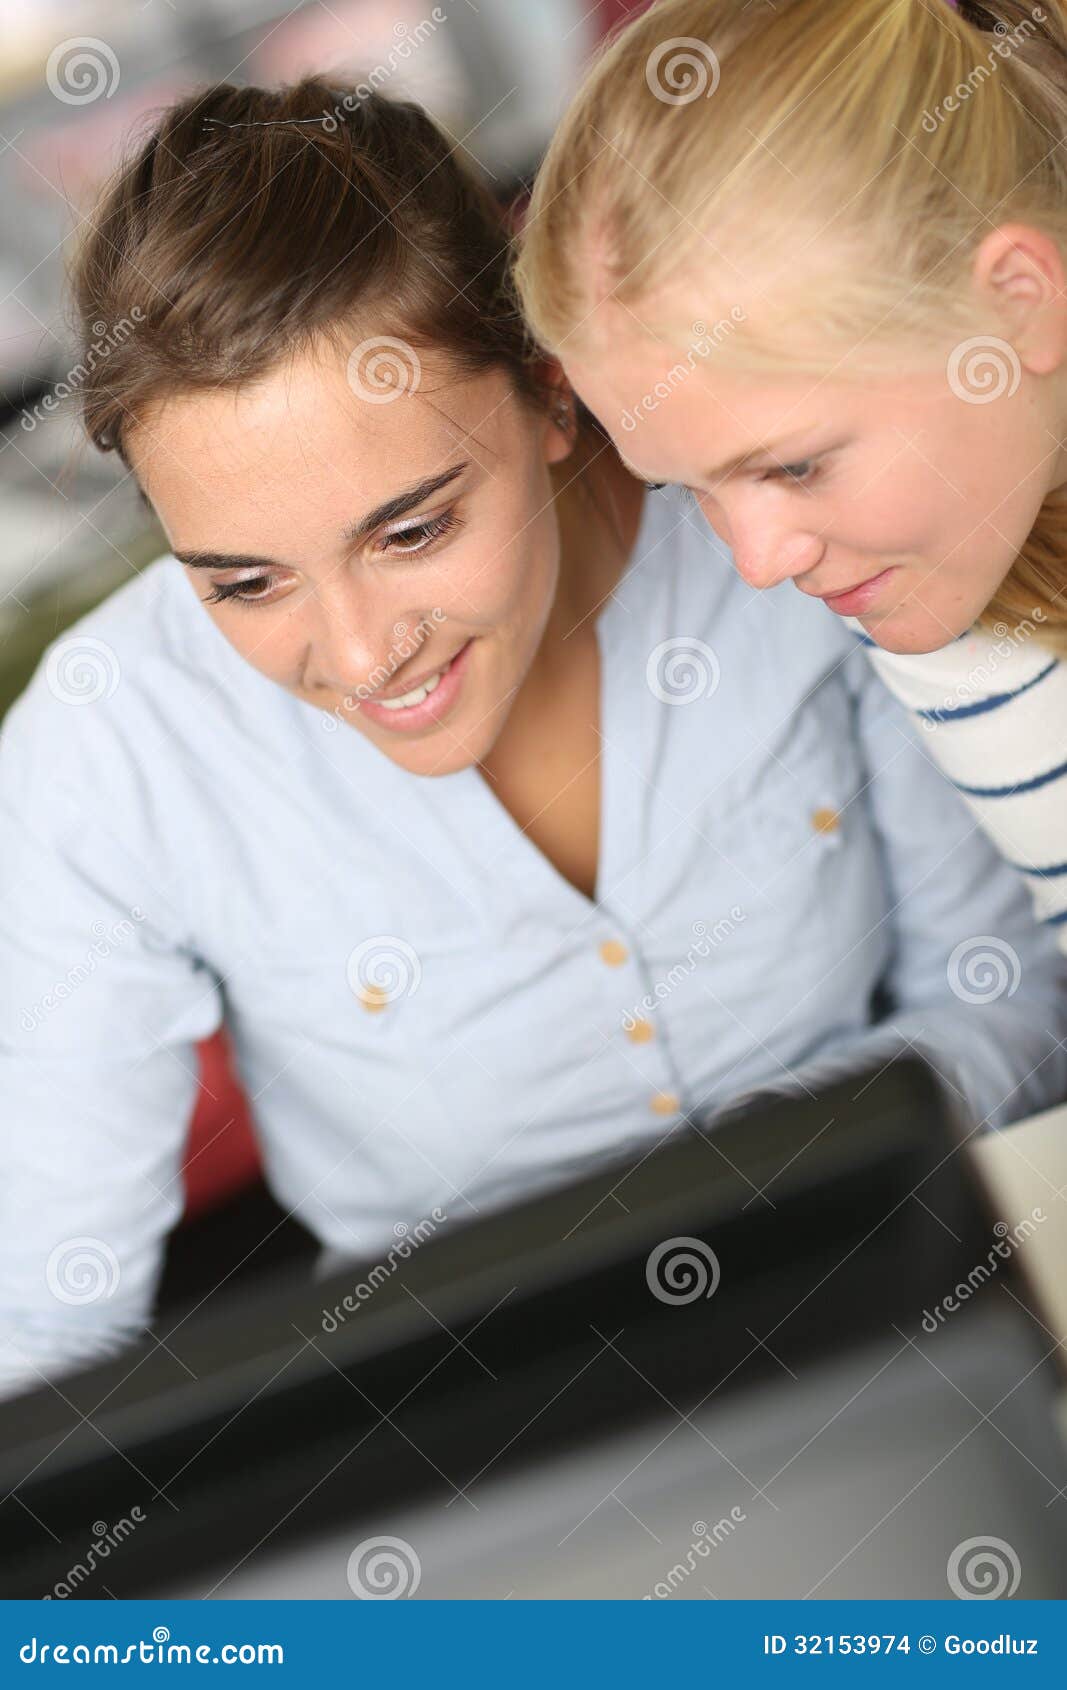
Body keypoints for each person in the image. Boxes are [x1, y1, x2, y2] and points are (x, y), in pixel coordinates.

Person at [2, 76, 1065, 1400]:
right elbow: (41, 1320)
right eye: (243, 581)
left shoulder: (781, 540)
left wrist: (715, 1211)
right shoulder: (109, 755)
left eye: (411, 531)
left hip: (899, 1303)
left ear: (549, 396)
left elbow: (1003, 1000)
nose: (357, 649)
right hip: (470, 1427)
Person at [514, 0, 1067, 946]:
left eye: (796, 465)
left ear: (1019, 303)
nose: (760, 565)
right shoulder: (941, 599)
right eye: (684, 487)